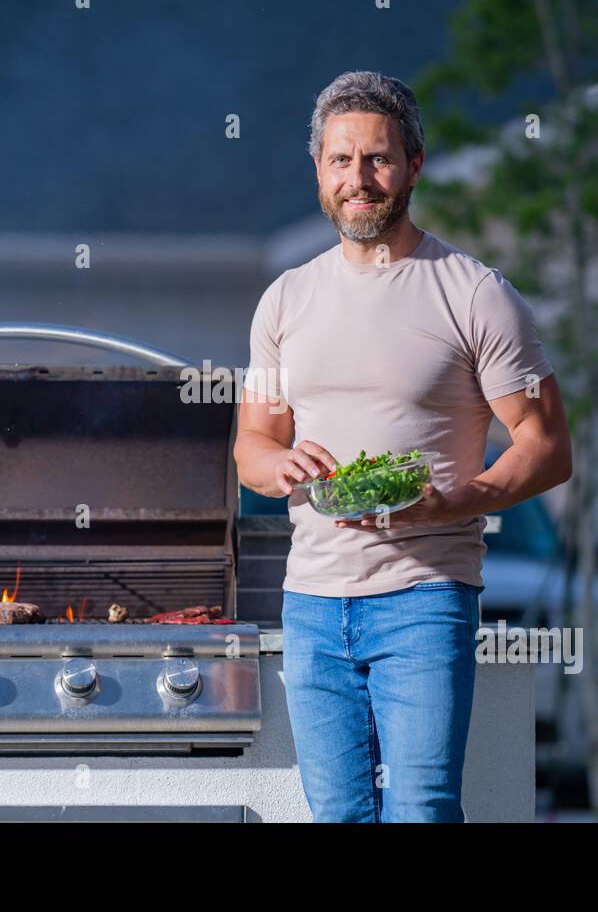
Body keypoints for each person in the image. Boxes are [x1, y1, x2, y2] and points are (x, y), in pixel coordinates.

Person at [233, 70, 572, 822]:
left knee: (420, 808)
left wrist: (459, 499)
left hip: (425, 597)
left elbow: (547, 446)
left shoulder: (473, 292)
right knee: (341, 817)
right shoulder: (286, 299)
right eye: (341, 160)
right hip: (313, 605)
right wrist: (277, 463)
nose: (360, 178)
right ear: (320, 171)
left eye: (378, 159)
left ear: (414, 164)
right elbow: (253, 445)